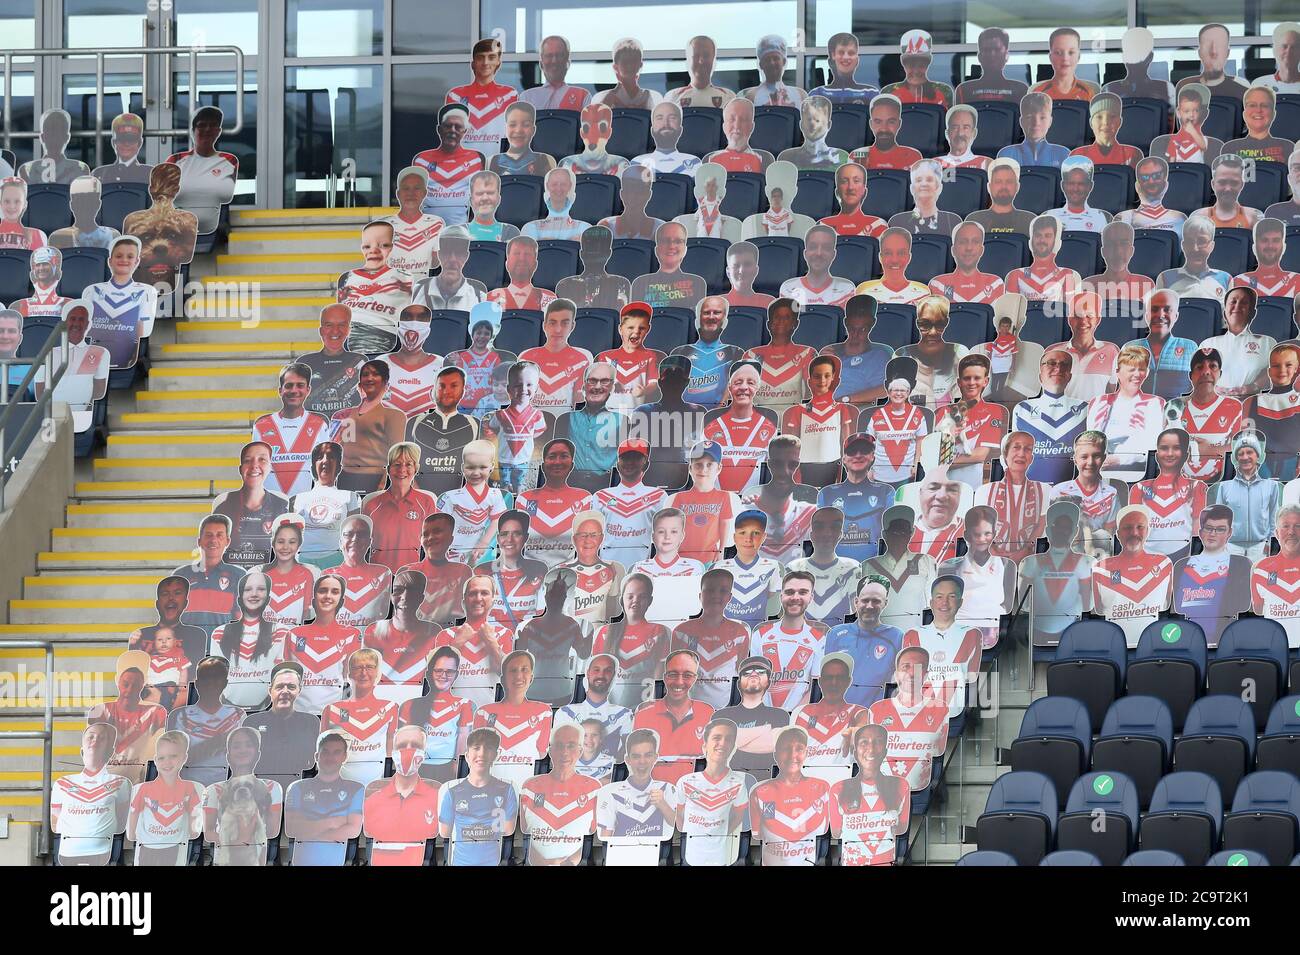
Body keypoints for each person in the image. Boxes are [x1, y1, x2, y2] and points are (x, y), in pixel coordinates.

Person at [867, 645, 949, 792]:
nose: (911, 673)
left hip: (922, 790)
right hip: (879, 792)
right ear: (896, 673)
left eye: (918, 668)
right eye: (906, 667)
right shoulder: (876, 710)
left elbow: (939, 756)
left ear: (926, 675)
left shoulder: (941, 709)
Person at [517, 722, 600, 865]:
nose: (564, 752)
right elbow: (526, 833)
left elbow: (590, 835)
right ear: (550, 751)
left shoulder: (593, 788)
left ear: (580, 751)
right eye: (559, 746)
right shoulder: (530, 787)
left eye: (571, 746)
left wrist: (565, 862)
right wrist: (544, 862)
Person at [747, 725, 831, 865]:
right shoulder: (759, 792)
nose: (793, 755)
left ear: (806, 753)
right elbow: (757, 835)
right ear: (776, 754)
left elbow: (824, 831)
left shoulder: (823, 789)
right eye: (786, 749)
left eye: (799, 749)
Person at [673, 718, 752, 866]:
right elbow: (679, 819)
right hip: (691, 856)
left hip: (721, 856)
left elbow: (737, 817)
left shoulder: (738, 783)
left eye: (728, 739)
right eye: (717, 738)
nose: (722, 743)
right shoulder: (686, 782)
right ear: (705, 746)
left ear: (733, 748)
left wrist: (717, 835)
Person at [1092, 505, 1174, 647]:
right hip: (1114, 648)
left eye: (1140, 527)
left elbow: (1168, 607)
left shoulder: (1164, 564)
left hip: (1155, 649)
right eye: (1127, 528)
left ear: (1148, 531)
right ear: (1118, 534)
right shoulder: (1100, 569)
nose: (1134, 532)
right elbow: (1099, 613)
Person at [1172, 505, 1253, 648]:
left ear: (1229, 533)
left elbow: (1243, 609)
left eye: (1220, 529)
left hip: (1226, 642)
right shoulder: (1180, 565)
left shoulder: (1242, 565)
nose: (1213, 533)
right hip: (1184, 643)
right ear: (1200, 531)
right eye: (1208, 528)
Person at [829, 722, 910, 865]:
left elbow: (902, 830)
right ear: (855, 753)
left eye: (878, 742)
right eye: (864, 742)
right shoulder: (838, 789)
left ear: (885, 752)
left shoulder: (901, 785)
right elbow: (836, 833)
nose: (871, 749)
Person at [924, 353, 1007, 490]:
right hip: (938, 485)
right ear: (959, 382)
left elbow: (980, 455)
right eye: (967, 378)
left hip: (970, 487)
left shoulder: (993, 411)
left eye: (977, 378)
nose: (972, 383)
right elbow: (931, 452)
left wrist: (941, 463)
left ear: (985, 381)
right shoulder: (942, 411)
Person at [203, 727, 284, 866]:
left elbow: (272, 832)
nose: (242, 750)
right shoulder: (213, 790)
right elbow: (209, 833)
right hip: (224, 860)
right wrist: (238, 841)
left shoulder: (271, 787)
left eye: (248, 745)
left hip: (256, 859)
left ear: (258, 754)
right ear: (227, 755)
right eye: (236, 746)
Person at [1016, 500, 1092, 647]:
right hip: (1036, 628)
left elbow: (1086, 603)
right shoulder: (1032, 562)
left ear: (1073, 531)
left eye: (1066, 528)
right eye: (1059, 527)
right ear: (1050, 529)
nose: (1062, 531)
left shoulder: (1083, 563)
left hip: (1071, 628)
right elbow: (1024, 602)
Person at [437, 726, 517, 866]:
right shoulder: (451, 791)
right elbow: (444, 833)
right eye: (476, 747)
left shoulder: (507, 789)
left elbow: (508, 830)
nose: (482, 753)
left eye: (488, 748)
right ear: (467, 755)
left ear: (495, 755)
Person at [747, 571, 827, 711]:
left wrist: (793, 717)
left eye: (802, 592)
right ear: (781, 596)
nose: (795, 597)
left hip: (795, 721)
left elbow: (814, 688)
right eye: (790, 592)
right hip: (761, 714)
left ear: (811, 597)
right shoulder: (760, 635)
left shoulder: (819, 639)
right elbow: (753, 682)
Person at [52, 723, 131, 866]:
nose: (95, 740)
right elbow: (55, 823)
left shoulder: (120, 783)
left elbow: (121, 823)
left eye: (102, 738)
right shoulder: (62, 783)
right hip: (67, 854)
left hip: (104, 854)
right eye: (91, 736)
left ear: (110, 750)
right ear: (81, 749)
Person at [633, 649, 714, 784]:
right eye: (673, 674)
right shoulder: (643, 713)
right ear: (664, 677)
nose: (679, 682)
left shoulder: (707, 713)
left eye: (687, 675)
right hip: (652, 794)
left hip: (694, 795)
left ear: (695, 678)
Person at [319, 647, 399, 785]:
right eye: (357, 668)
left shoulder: (390, 708)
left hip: (375, 785)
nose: (364, 673)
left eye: (369, 667)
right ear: (349, 674)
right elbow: (323, 751)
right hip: (339, 784)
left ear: (378, 674)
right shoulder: (332, 710)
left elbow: (391, 750)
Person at [283, 732, 364, 866]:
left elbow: (353, 830)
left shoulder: (356, 789)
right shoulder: (297, 788)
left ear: (345, 757)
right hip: (303, 858)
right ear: (316, 756)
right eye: (325, 752)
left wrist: (311, 830)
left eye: (336, 752)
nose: (330, 757)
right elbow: (293, 829)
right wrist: (332, 822)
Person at [596, 728, 677, 862]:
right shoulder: (610, 792)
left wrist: (662, 804)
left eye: (648, 755)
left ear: (656, 757)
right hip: (621, 856)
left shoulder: (667, 788)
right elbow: (606, 835)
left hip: (653, 855)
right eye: (636, 756)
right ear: (627, 759)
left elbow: (677, 823)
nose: (642, 761)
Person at [254, 362, 332, 501]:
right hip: (271, 506)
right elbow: (256, 470)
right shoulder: (261, 426)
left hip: (308, 507)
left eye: (300, 385)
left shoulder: (320, 424)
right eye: (289, 385)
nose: (294, 390)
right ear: (280, 390)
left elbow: (327, 471)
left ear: (308, 390)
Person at [209, 570, 285, 710]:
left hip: (267, 707)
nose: (254, 594)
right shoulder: (219, 633)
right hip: (227, 706)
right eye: (248, 589)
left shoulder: (280, 632)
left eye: (261, 589)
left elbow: (281, 676)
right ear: (239, 597)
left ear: (268, 597)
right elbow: (216, 676)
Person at [939, 508, 1016, 648]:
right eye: (976, 534)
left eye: (987, 533)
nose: (982, 539)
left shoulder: (1006, 564)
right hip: (960, 628)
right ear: (967, 535)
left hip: (994, 627)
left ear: (994, 533)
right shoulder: (950, 566)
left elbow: (1008, 603)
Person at [124, 729, 202, 867]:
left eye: (173, 756)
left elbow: (193, 813)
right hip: (148, 845)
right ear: (155, 760)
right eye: (161, 758)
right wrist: (131, 834)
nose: (167, 762)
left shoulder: (188, 788)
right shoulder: (145, 789)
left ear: (184, 758)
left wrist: (193, 830)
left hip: (173, 844)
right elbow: (134, 811)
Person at [32, 299, 109, 436]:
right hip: (53, 418)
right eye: (72, 319)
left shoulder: (100, 353)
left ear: (88, 324)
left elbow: (99, 391)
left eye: (81, 319)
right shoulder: (47, 353)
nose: (76, 323)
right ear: (64, 323)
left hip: (84, 417)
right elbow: (39, 393)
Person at [399, 647, 476, 783]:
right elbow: (403, 743)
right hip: (415, 768)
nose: (444, 675)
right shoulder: (409, 704)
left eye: (450, 671)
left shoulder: (464, 704)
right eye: (439, 670)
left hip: (447, 770)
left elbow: (462, 739)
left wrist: (457, 767)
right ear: (430, 672)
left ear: (456, 674)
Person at [703, 359, 780, 493]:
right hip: (717, 503)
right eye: (738, 382)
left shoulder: (770, 424)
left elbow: (774, 469)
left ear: (758, 388)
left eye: (750, 383)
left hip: (754, 502)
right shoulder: (710, 423)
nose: (744, 387)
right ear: (730, 387)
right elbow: (700, 465)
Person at [791, 653, 870, 783]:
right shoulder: (801, 712)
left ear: (848, 682)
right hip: (805, 787)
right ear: (820, 681)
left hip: (840, 787)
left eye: (840, 678)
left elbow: (863, 721)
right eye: (829, 677)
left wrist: (859, 731)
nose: (834, 683)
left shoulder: (857, 711)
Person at [166, 657, 245, 786]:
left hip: (230, 788)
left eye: (216, 677)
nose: (211, 683)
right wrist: (219, 741)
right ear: (197, 683)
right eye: (206, 678)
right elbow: (177, 759)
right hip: (191, 788)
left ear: (225, 683)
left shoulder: (238, 714)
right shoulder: (181, 716)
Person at [434, 575, 513, 706]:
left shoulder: (503, 633)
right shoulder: (446, 634)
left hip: (489, 712)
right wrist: (457, 642)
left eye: (484, 593)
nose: (478, 598)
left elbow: (506, 674)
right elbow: (436, 678)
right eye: (473, 593)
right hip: (450, 713)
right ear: (464, 600)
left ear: (493, 599)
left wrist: (491, 642)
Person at [87, 657, 167, 784]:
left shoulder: (155, 712)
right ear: (118, 683)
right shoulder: (100, 710)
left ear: (142, 687)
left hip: (135, 784)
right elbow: (92, 747)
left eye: (135, 686)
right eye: (125, 684)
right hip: (102, 781)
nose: (129, 690)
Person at [364, 568, 438, 704]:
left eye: (412, 591)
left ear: (421, 598)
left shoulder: (433, 631)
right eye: (398, 590)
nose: (404, 597)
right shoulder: (373, 630)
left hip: (417, 705)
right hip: (379, 703)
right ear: (391, 596)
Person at [975, 430, 1050, 563]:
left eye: (1027, 449)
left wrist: (1025, 550)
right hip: (992, 561)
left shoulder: (1044, 490)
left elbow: (1042, 524)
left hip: (1030, 560)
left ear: (1031, 458)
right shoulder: (984, 491)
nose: (1021, 454)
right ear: (1005, 454)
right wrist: (993, 550)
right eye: (1016, 447)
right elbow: (979, 527)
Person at [212, 441, 289, 569]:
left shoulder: (282, 505)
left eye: (262, 460)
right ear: (240, 469)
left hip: (266, 582)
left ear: (270, 467)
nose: (254, 465)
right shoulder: (223, 504)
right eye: (248, 460)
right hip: (231, 581)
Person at [1049, 430, 1125, 560]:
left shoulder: (1111, 494)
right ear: (1075, 459)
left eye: (1096, 456)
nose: (1090, 462)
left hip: (1097, 557)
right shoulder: (1059, 491)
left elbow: (1107, 538)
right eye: (1084, 457)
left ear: (1104, 458)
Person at [242, 660, 319, 785]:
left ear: (299, 690)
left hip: (300, 790)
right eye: (279, 686)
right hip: (259, 789)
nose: (285, 691)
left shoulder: (312, 722)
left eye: (291, 687)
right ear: (270, 690)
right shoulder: (252, 722)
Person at [83, 235, 155, 370]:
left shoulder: (146, 292)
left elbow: (141, 330)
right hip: (93, 358)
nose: (124, 260)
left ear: (137, 261)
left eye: (130, 256)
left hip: (126, 358)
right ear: (110, 261)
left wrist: (133, 357)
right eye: (119, 256)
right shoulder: (92, 290)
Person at [713, 654, 790, 779]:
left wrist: (734, 737)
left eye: (760, 672)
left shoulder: (780, 715)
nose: (753, 675)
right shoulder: (721, 715)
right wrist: (765, 729)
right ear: (738, 683)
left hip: (765, 783)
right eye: (747, 672)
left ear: (768, 682)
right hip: (727, 783)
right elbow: (718, 745)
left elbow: (775, 743)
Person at [1208, 431, 1281, 559]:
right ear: (1236, 458)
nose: (1245, 457)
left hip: (1260, 546)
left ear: (1258, 456)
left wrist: (1269, 542)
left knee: (1257, 578)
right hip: (1231, 546)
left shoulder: (1271, 486)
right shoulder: (1224, 487)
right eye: (1240, 453)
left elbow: (1274, 518)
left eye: (1249, 452)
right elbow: (1219, 520)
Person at [164, 105, 237, 234]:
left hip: (214, 229)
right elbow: (167, 195)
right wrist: (210, 185)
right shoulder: (175, 160)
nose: (207, 129)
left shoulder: (229, 160)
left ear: (219, 131)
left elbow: (225, 194)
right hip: (176, 229)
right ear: (193, 130)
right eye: (202, 125)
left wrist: (187, 186)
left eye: (213, 125)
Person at [1179, 347, 1243, 483]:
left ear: (1220, 373)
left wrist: (1209, 450)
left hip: (1220, 483)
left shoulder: (1234, 406)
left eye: (1213, 366)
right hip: (1181, 487)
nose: (1206, 371)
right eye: (1199, 367)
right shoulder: (1174, 407)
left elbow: (1242, 448)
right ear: (1191, 375)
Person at [1122, 289, 1196, 401]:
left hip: (1175, 414)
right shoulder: (1130, 348)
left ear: (1176, 316)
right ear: (1146, 316)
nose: (1160, 315)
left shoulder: (1190, 348)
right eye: (1154, 309)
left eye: (1167, 310)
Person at [172, 514, 240, 634]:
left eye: (219, 535)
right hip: (188, 649)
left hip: (221, 650)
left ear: (227, 541)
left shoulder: (238, 575)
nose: (213, 540)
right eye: (208, 535)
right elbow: (170, 617)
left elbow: (240, 620)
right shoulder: (180, 575)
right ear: (199, 541)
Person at [1203, 286, 1275, 398]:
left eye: (1244, 302)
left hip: (1251, 403)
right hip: (1214, 404)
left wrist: (1253, 387)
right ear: (1224, 311)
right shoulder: (1208, 344)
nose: (1237, 306)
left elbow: (1276, 371)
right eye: (1233, 301)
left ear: (1252, 312)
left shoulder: (1267, 342)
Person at [325, 514, 393, 630]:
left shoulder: (384, 574)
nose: (355, 539)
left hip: (372, 643)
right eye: (349, 534)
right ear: (341, 542)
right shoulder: (326, 575)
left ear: (370, 541)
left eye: (361, 535)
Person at [1245, 346, 1300, 481]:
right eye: (1276, 366)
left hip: (1293, 462)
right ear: (1269, 371)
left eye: (1288, 365)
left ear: (1296, 369)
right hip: (1261, 464)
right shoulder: (1253, 401)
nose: (1282, 370)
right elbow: (1247, 436)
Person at [300, 305, 365, 417]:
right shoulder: (304, 363)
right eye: (329, 325)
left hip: (351, 430)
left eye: (342, 325)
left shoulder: (360, 361)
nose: (335, 331)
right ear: (321, 330)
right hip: (315, 431)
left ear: (349, 330)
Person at [630, 221, 707, 309]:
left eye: (678, 241)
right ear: (656, 250)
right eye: (665, 241)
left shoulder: (697, 283)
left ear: (685, 250)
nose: (671, 246)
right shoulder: (640, 283)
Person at [1006, 214, 1082, 302]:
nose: (1042, 240)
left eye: (1048, 236)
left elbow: (1069, 311)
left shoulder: (1067, 275)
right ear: (1031, 240)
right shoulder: (1016, 275)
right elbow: (1012, 311)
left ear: (1055, 240)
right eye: (1038, 235)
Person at [383, 165, 444, 274]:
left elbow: (436, 264)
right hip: (393, 286)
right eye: (406, 188)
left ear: (425, 193)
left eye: (417, 188)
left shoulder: (436, 224)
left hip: (423, 286)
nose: (411, 193)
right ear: (398, 194)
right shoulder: (383, 225)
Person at [929, 221, 1006, 304]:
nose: (969, 248)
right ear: (953, 250)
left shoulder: (995, 284)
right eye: (962, 242)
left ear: (982, 250)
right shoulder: (937, 284)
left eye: (975, 242)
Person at [557, 224, 632, 308]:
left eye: (599, 253)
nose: (594, 260)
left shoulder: (622, 284)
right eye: (590, 252)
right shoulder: (565, 285)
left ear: (609, 253)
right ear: (581, 254)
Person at [855, 227, 932, 304]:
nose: (894, 260)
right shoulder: (865, 294)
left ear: (909, 257)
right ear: (880, 257)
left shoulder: (923, 294)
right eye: (888, 253)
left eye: (901, 253)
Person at [1085, 221, 1155, 305]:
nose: (1118, 251)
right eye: (1111, 244)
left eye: (1124, 244)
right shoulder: (1087, 285)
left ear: (1132, 250)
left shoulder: (1146, 285)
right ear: (1103, 252)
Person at [1116, 156, 1188, 236]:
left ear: (1165, 180)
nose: (1151, 181)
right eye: (1145, 177)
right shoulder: (1124, 217)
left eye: (1156, 176)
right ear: (1138, 184)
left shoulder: (1180, 218)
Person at [890, 159, 964, 236]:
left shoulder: (953, 222)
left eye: (929, 180)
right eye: (919, 180)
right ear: (912, 189)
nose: (924, 184)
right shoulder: (896, 222)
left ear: (939, 188)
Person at [704, 96, 776, 173]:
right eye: (731, 119)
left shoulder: (763, 160)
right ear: (724, 127)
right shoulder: (711, 160)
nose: (737, 126)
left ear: (752, 127)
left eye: (743, 119)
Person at [850, 94, 923, 170]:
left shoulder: (913, 156)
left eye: (891, 122)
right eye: (878, 122)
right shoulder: (858, 156)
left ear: (899, 124)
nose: (884, 129)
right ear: (871, 124)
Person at [997, 92, 1070, 168]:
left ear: (1050, 121)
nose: (1036, 123)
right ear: (1021, 121)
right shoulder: (1006, 154)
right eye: (1029, 117)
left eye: (1042, 118)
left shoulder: (1063, 154)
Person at [1177, 23, 1249, 100]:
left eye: (1220, 45)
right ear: (1199, 53)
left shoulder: (1242, 92)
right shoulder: (1185, 87)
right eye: (1207, 45)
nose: (1213, 51)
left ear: (1227, 53)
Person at [777, 95, 848, 172]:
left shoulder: (843, 158)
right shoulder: (785, 157)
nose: (812, 124)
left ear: (829, 125)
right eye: (808, 119)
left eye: (817, 120)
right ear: (801, 125)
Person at [1071, 93, 1144, 169]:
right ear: (1091, 123)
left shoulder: (1133, 154)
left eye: (1112, 116)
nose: (1105, 122)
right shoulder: (1078, 156)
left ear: (1120, 122)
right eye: (1099, 117)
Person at [19, 107, 90, 184]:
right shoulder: (26, 170)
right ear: (42, 137)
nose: (54, 138)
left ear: (67, 137)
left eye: (58, 132)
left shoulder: (79, 169)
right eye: (50, 132)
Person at [957, 27, 1028, 104]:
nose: (992, 55)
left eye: (997, 50)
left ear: (1006, 55)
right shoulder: (964, 90)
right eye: (987, 50)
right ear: (979, 56)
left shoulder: (1020, 90)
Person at [1225, 87, 1294, 166]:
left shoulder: (1288, 147)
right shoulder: (1229, 148)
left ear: (1273, 114)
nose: (1258, 110)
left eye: (1264, 105)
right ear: (1244, 114)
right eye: (1252, 105)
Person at [1192, 153, 1263, 230]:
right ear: (1213, 184)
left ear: (1242, 185)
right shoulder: (1199, 217)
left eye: (1234, 183)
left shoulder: (1253, 217)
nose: (1228, 189)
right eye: (1222, 182)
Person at [1233, 219, 1300, 299]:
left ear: (1284, 247)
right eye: (1264, 240)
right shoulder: (1239, 281)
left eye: (1276, 240)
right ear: (1254, 248)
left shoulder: (1296, 281)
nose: (1270, 246)